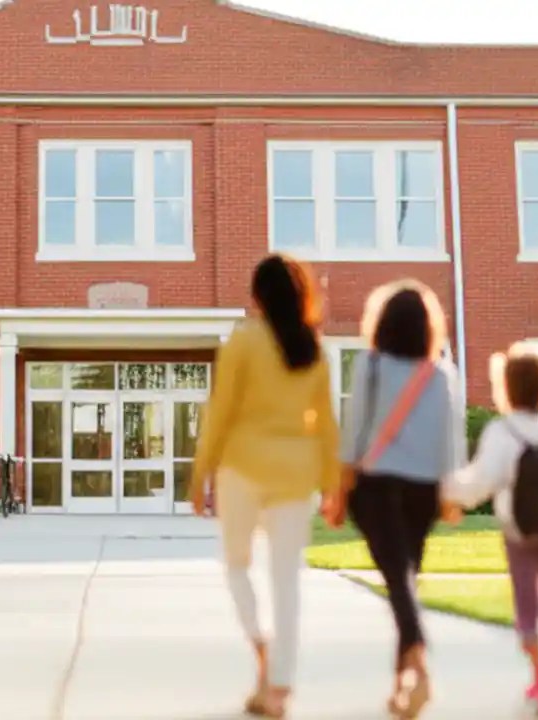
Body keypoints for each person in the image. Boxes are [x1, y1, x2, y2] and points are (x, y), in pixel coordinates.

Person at [191, 253, 340, 719]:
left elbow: (220, 412)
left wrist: (201, 474)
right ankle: (279, 687)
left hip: (242, 469)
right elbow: (327, 426)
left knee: (237, 567)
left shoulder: (244, 341)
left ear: (257, 296)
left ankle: (261, 650)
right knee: (286, 584)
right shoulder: (312, 349)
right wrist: (334, 486)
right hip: (295, 476)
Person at [322, 279, 465, 720]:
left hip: (378, 484)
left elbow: (355, 433)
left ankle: (417, 667)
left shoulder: (371, 365)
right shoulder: (441, 372)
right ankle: (400, 683)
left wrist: (339, 490)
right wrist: (450, 492)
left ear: (381, 324)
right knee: (405, 578)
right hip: (423, 488)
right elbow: (451, 438)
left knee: (399, 579)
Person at [443, 342, 538, 717]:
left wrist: (447, 493)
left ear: (507, 387)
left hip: (519, 528)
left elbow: (481, 481)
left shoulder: (503, 431)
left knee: (529, 601)